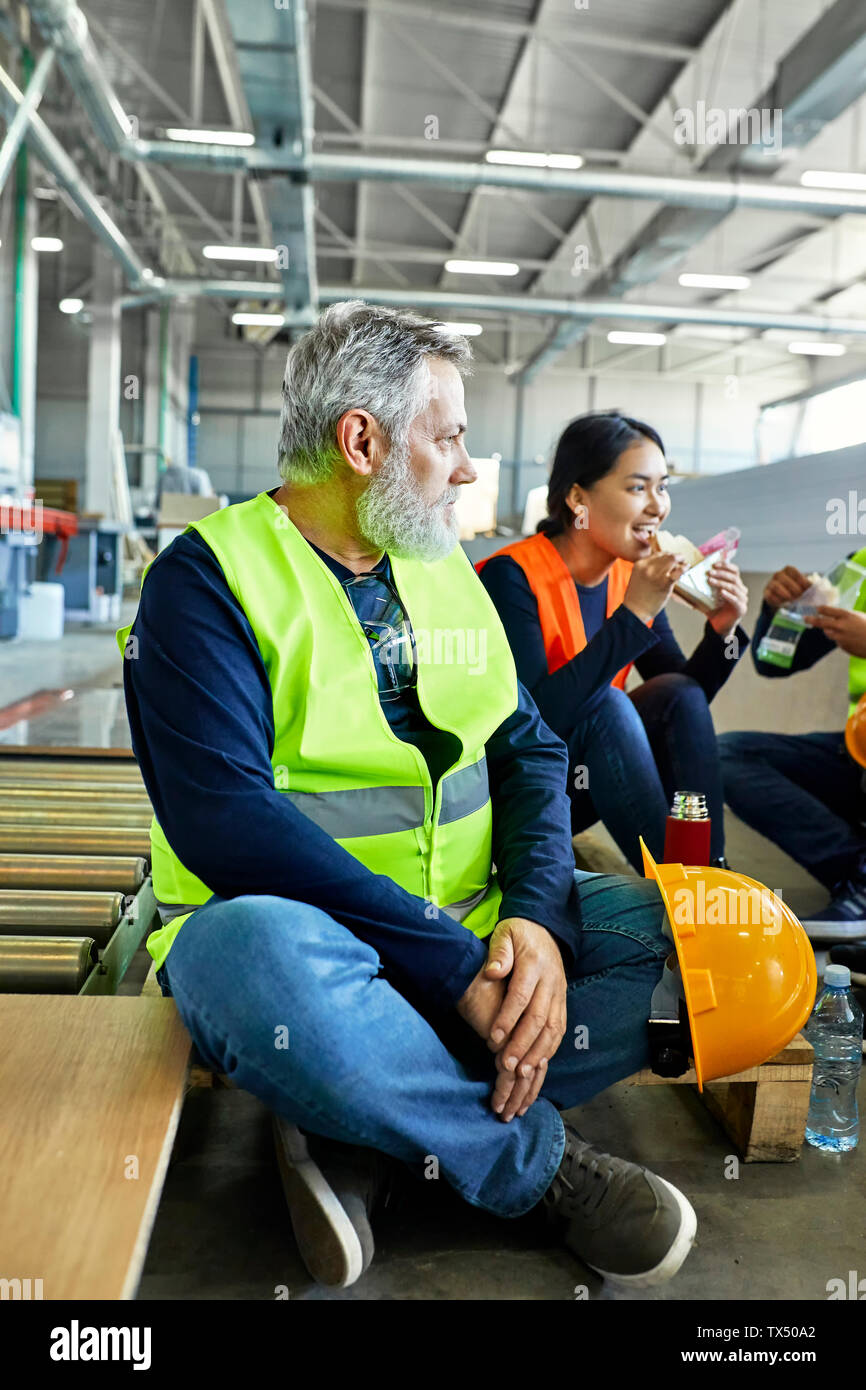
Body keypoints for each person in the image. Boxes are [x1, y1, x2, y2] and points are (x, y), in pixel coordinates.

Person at [120, 303, 698, 1291]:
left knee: (710, 946)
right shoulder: (204, 582)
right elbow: (224, 818)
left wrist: (537, 922)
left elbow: (523, 747)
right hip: (315, 953)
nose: (467, 468)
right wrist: (456, 970)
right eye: (448, 439)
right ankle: (533, 1165)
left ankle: (371, 1123)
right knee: (246, 958)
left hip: (475, 924)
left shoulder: (439, 569)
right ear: (361, 442)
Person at [476, 412, 750, 872]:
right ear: (578, 498)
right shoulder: (513, 576)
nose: (657, 506)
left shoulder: (628, 576)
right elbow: (534, 725)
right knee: (609, 705)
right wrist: (635, 614)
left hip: (579, 784)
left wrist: (722, 632)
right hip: (513, 792)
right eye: (637, 487)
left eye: (662, 487)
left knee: (677, 694)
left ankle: (709, 874)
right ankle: (682, 893)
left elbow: (682, 700)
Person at [718, 555, 866, 943]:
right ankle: (859, 874)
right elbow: (775, 661)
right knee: (727, 755)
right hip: (856, 753)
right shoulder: (860, 563)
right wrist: (779, 611)